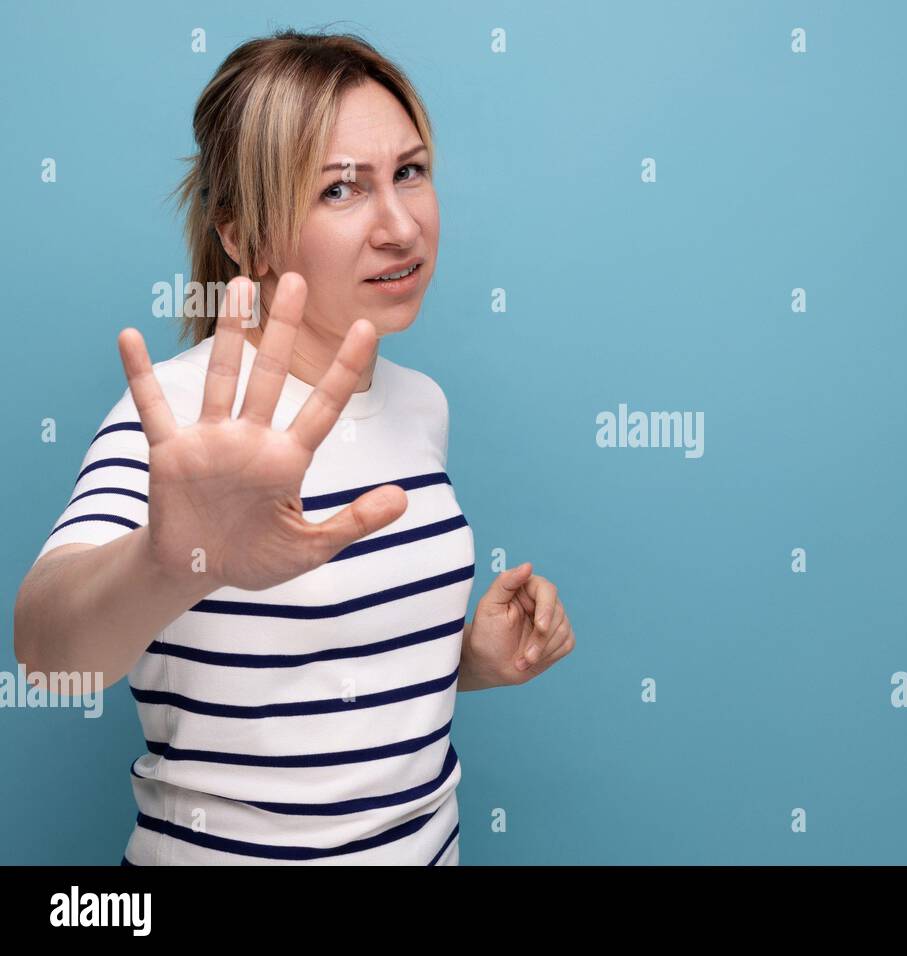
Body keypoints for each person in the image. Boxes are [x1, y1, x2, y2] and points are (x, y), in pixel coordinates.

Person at [12, 29, 575, 865]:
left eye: (409, 172)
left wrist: (459, 662)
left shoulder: (422, 405)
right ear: (242, 237)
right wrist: (176, 561)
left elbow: (304, 683)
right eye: (341, 190)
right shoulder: (175, 419)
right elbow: (46, 654)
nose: (399, 226)